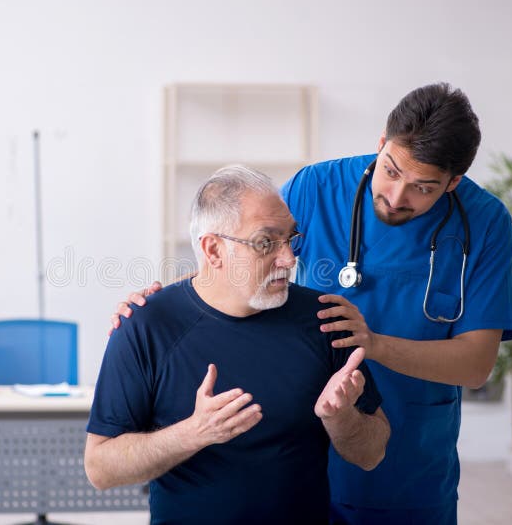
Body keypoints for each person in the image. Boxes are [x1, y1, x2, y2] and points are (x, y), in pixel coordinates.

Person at [111, 83, 512, 525]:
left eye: (423, 188)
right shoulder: (318, 187)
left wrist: (373, 344)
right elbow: (247, 251)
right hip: (304, 460)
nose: (397, 196)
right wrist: (168, 303)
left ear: (453, 183)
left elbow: (476, 365)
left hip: (409, 468)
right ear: (381, 143)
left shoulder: (485, 222)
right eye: (390, 170)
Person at [86, 166, 390, 525]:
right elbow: (100, 468)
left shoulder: (326, 319)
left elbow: (372, 454)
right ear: (213, 249)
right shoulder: (146, 326)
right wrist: (192, 433)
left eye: (290, 238)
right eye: (266, 242)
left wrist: (342, 419)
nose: (289, 259)